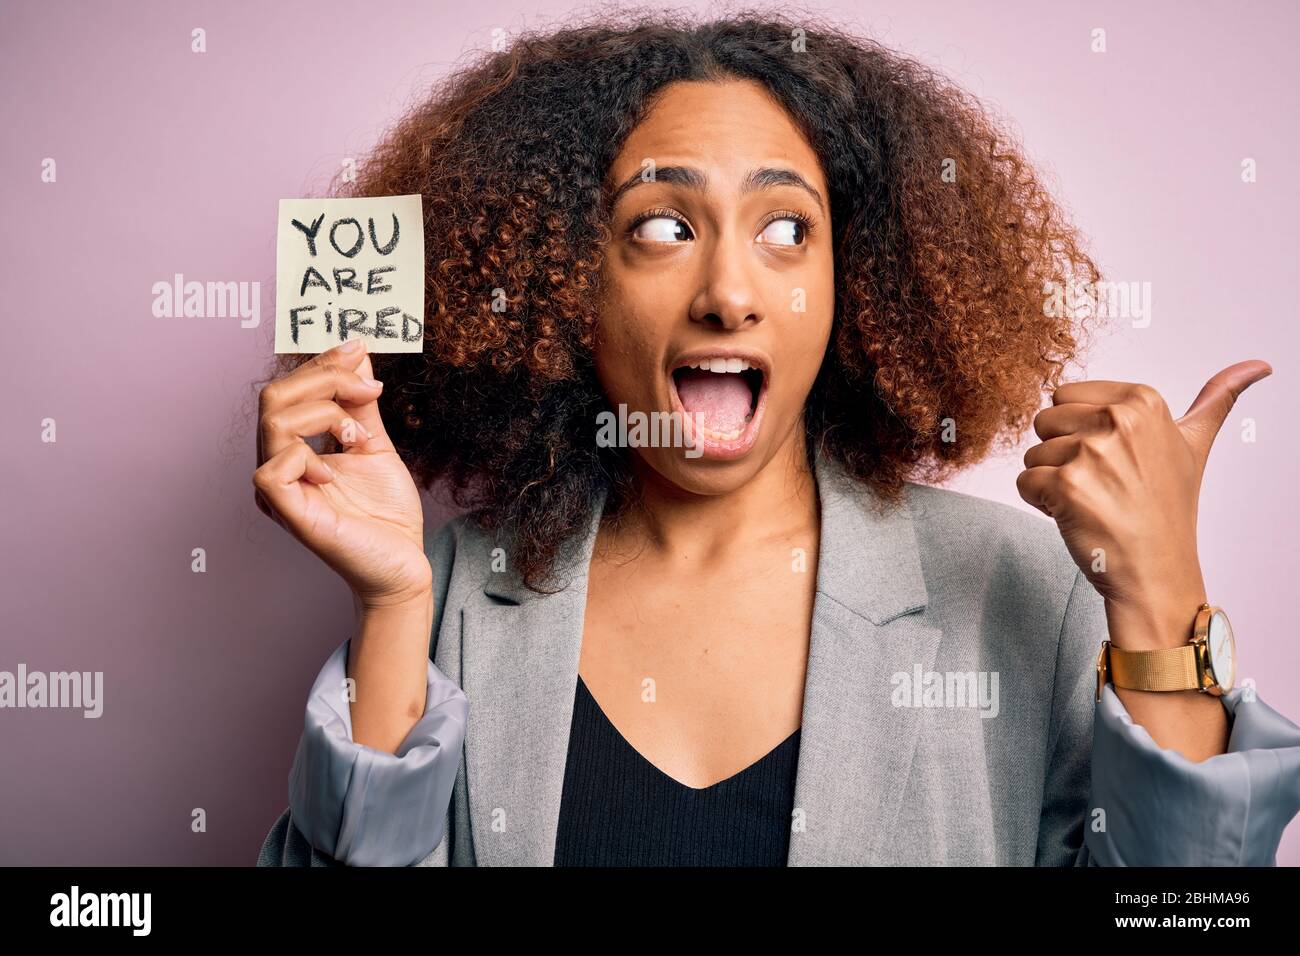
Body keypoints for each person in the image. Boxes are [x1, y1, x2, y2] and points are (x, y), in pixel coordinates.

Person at [254, 12, 1300, 866]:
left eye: (787, 228)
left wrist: (1161, 590)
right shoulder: (442, 593)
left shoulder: (1024, 588)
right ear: (565, 285)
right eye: (661, 227)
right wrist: (391, 603)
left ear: (860, 283)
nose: (726, 293)